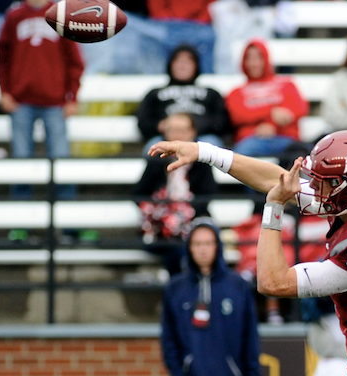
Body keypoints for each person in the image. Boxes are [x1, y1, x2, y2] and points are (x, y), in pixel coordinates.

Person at [148, 130, 347, 376]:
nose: (317, 189)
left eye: (327, 182)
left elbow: (272, 282)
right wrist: (205, 152)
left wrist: (273, 208)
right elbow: (280, 182)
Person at [0, 0, 84, 243]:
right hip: (21, 101)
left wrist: (72, 96)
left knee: (62, 161)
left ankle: (68, 225)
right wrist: (4, 91)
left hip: (55, 102)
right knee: (21, 162)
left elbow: (75, 60)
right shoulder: (15, 16)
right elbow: (2, 57)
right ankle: (21, 226)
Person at [160, 219, 260, 376]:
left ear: (217, 246)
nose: (203, 249)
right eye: (197, 244)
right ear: (189, 248)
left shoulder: (238, 286)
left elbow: (251, 336)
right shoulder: (176, 288)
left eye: (208, 243)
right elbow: (168, 338)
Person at [134, 113, 220, 275]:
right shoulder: (156, 160)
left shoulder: (202, 162)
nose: (177, 135)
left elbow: (209, 194)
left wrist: (182, 213)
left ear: (193, 132)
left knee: (197, 242)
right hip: (159, 231)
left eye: (182, 130)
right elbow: (139, 194)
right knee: (174, 245)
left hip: (193, 224)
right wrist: (161, 213)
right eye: (173, 130)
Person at [136, 44, 231, 154]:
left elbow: (222, 123)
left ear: (196, 65)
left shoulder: (211, 93)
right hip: (165, 139)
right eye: (178, 61)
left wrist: (191, 127)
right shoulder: (154, 94)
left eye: (187, 62)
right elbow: (143, 122)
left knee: (212, 146)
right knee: (152, 148)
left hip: (201, 139)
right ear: (170, 64)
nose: (182, 66)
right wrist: (161, 126)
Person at [225, 39, 309, 157]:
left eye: (259, 57)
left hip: (285, 139)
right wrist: (271, 112)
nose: (254, 63)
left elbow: (299, 108)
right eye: (249, 58)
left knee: (300, 153)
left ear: (266, 59)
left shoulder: (287, 84)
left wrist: (271, 125)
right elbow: (238, 115)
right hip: (251, 140)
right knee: (239, 156)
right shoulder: (236, 92)